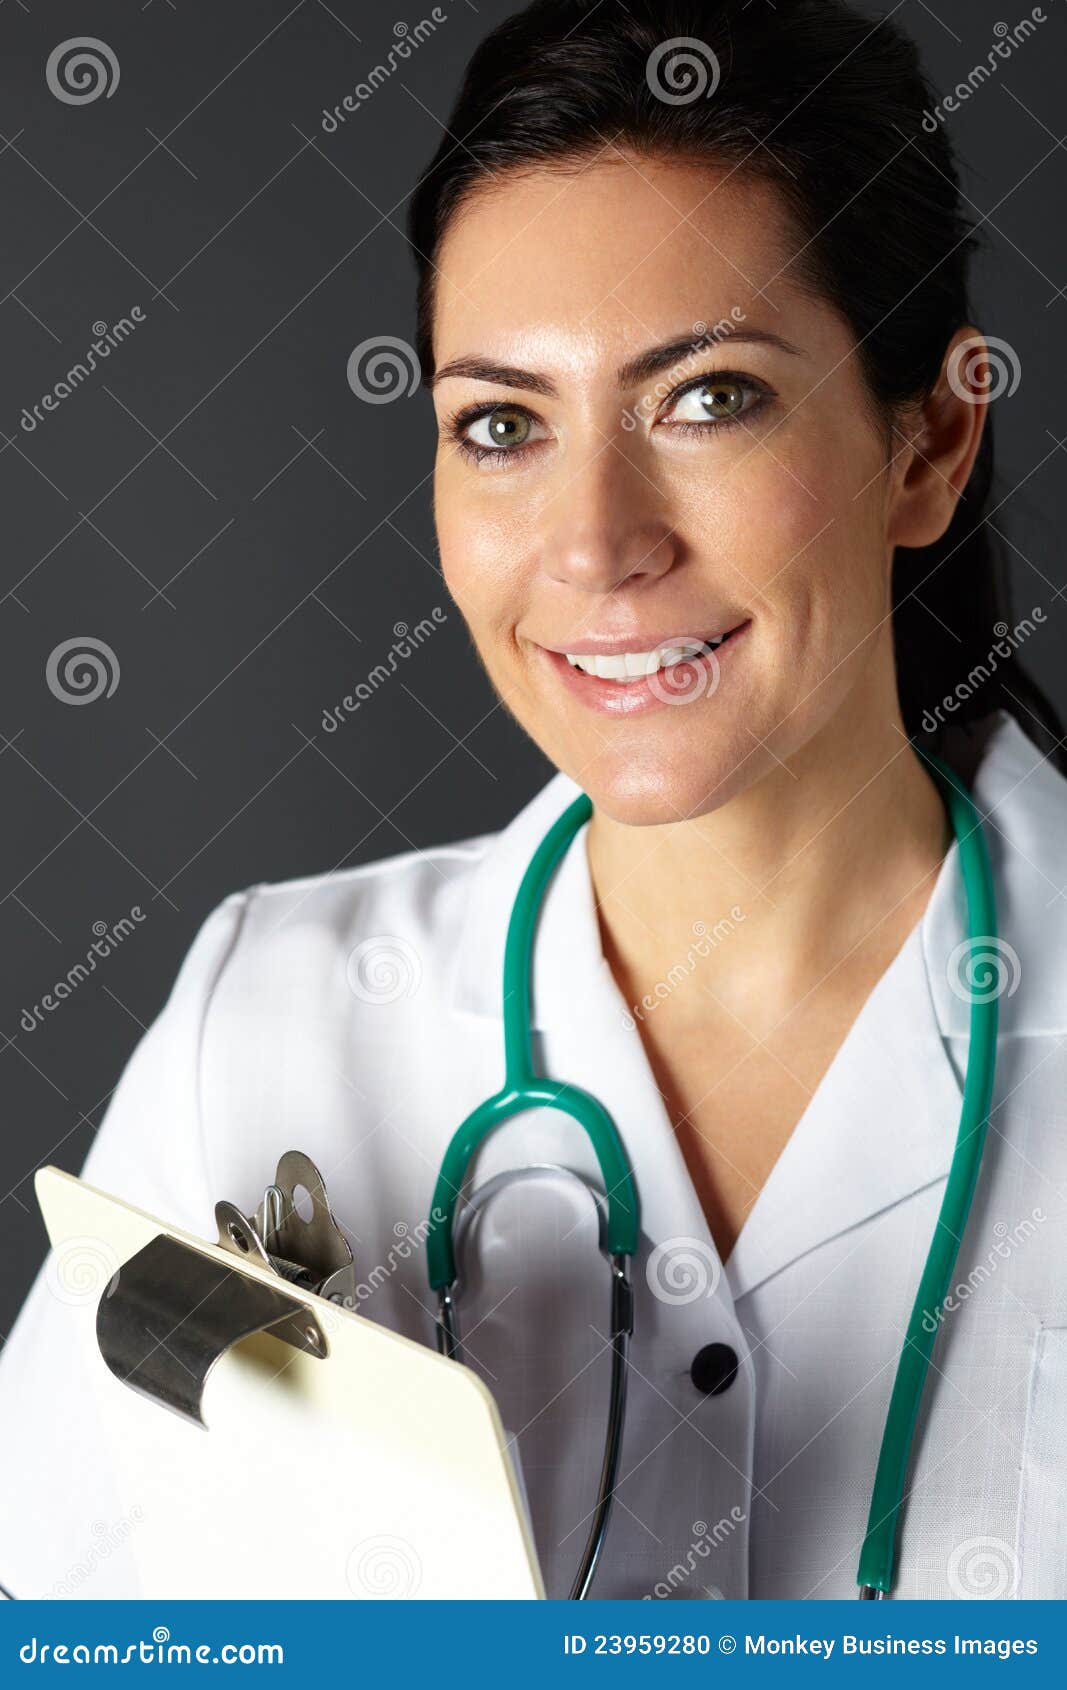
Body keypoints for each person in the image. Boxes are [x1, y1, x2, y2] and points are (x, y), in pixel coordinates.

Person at [2, 0, 1065, 1601]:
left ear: (927, 444)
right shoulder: (269, 1019)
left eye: (709, 397)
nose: (592, 545)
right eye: (501, 425)